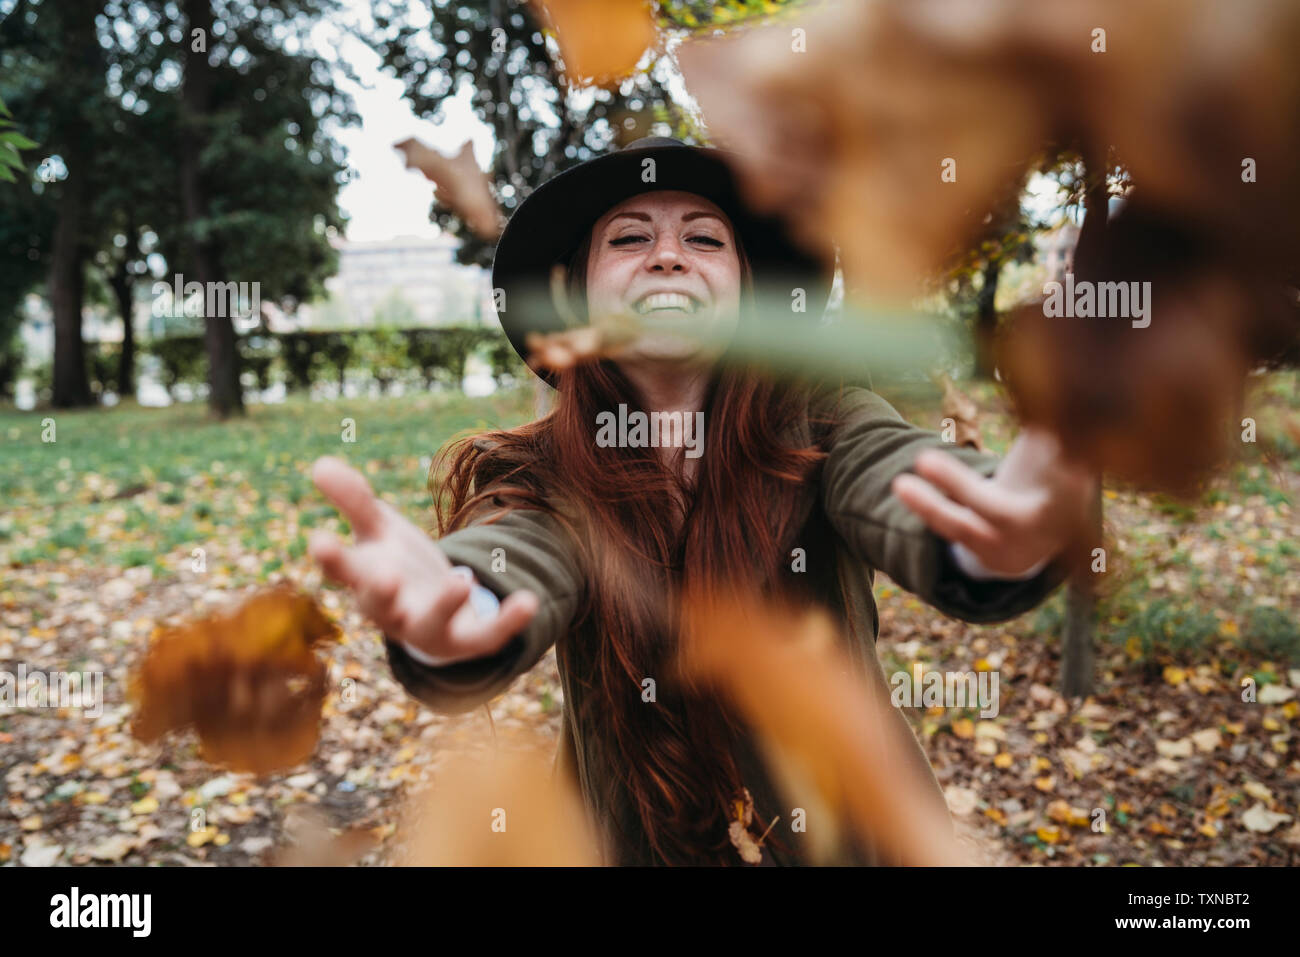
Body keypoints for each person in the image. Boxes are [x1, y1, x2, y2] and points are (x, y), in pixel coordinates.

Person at [309, 137, 1096, 865]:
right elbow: (516, 552)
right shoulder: (537, 470)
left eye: (704, 238)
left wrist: (982, 530)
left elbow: (899, 481)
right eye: (628, 238)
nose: (667, 257)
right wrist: (466, 609)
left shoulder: (829, 423)